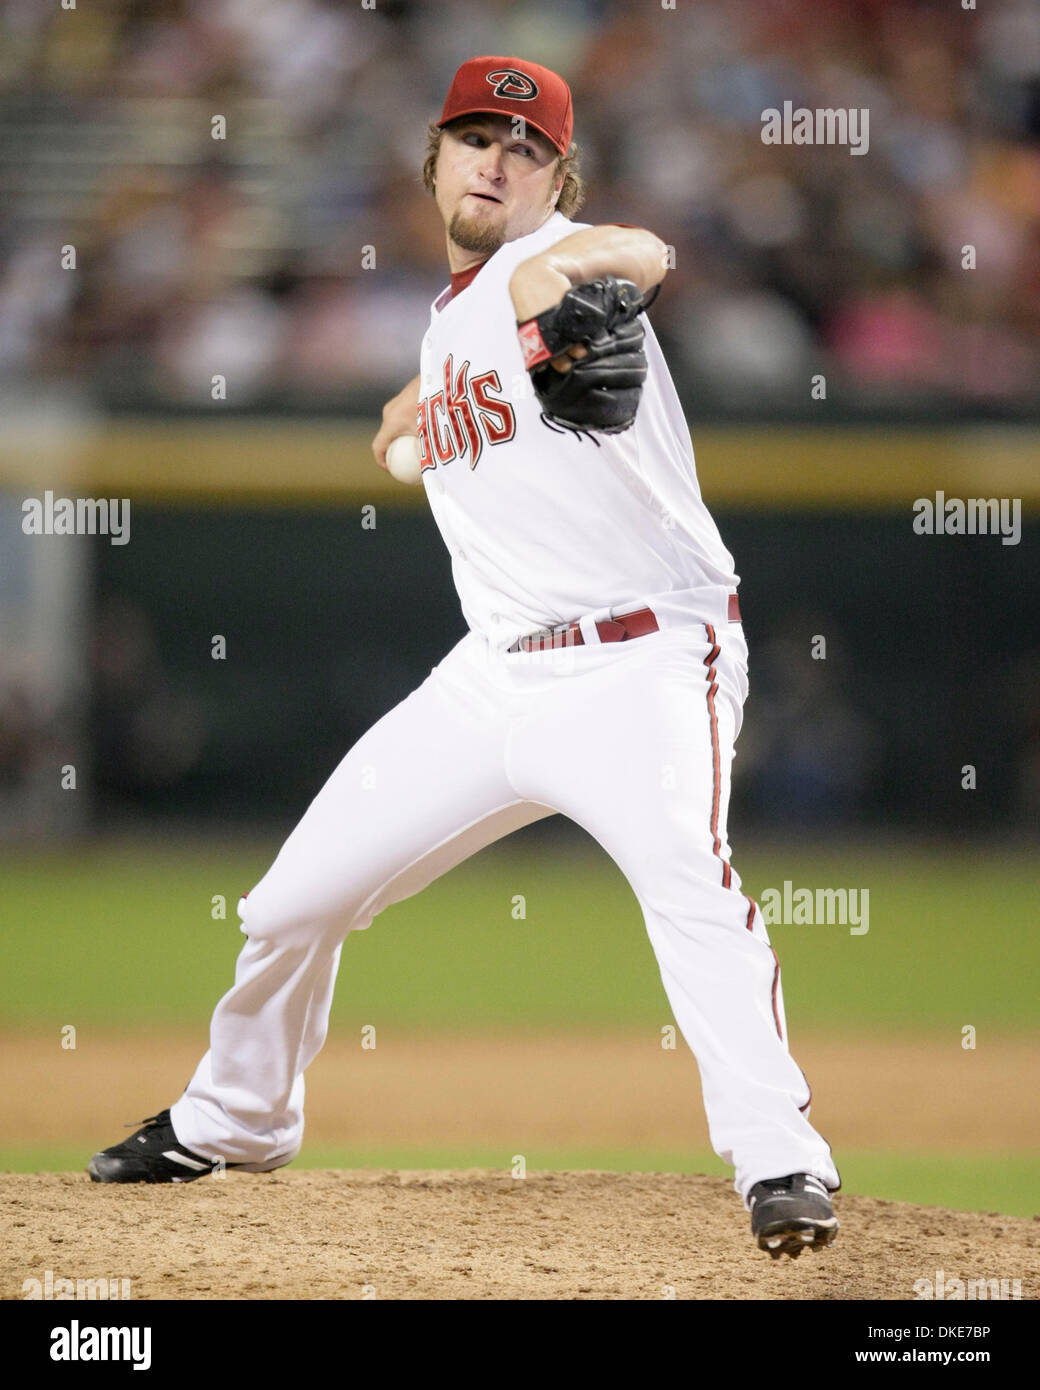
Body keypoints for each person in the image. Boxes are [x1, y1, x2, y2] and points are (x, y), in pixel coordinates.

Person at [89, 55, 840, 1260]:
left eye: (527, 146)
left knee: (687, 884)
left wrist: (570, 270)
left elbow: (644, 252)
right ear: (432, 161)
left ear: (558, 179)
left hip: (644, 658)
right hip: (491, 674)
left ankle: (782, 1160)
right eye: (474, 136)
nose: (497, 157)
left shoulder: (564, 265)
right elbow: (430, 393)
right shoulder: (450, 327)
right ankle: (234, 1116)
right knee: (289, 902)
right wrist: (404, 422)